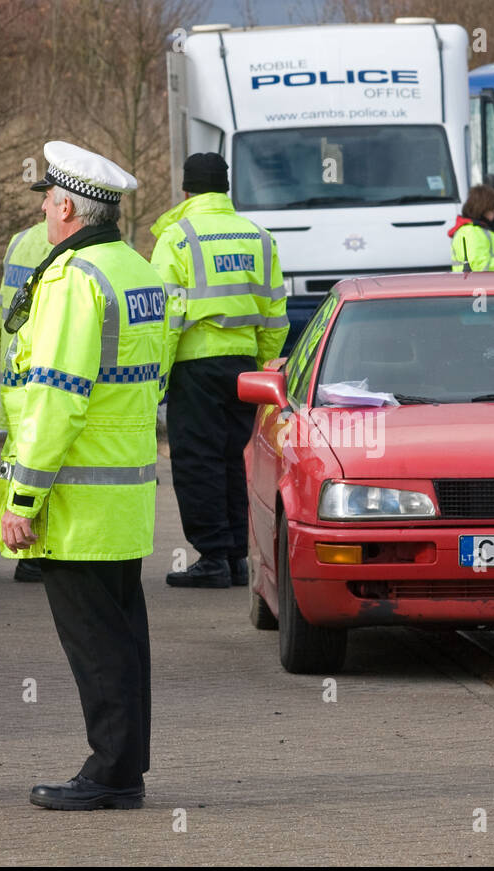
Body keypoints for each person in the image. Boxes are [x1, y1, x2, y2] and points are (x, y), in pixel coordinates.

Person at [0, 141, 165, 810]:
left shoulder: (72, 280)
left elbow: (55, 399)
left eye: (49, 204)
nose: (46, 215)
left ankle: (111, 773)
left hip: (78, 499)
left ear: (63, 207)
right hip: (125, 492)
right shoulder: (135, 271)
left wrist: (23, 498)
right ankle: (124, 766)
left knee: (96, 643)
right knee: (124, 635)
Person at [151, 152, 287, 589]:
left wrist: (158, 375)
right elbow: (275, 313)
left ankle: (213, 557)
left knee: (198, 461)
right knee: (238, 459)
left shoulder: (178, 237)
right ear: (226, 189)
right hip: (246, 369)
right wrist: (260, 363)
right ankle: (236, 556)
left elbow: (166, 316)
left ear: (186, 191)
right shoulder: (259, 237)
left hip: (194, 367)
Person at [0, 219, 51, 583]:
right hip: (41, 362)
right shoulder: (66, 244)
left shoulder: (19, 239)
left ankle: (25, 555)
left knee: (21, 455)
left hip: (13, 361)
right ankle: (33, 555)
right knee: (43, 458)